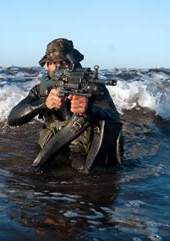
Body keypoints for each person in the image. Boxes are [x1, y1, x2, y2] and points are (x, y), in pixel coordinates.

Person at [7, 38, 123, 172]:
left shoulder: (92, 86)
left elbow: (114, 119)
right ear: (47, 65)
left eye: (64, 62)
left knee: (86, 173)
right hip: (51, 145)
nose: (59, 67)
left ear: (74, 63)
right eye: (53, 63)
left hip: (82, 148)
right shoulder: (41, 89)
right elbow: (12, 119)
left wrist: (90, 109)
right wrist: (43, 104)